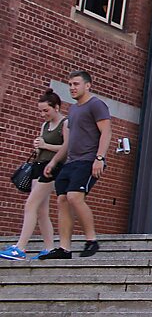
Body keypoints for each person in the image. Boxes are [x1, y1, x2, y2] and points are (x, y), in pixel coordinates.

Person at [39, 71, 111, 259]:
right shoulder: (73, 109)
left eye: (76, 84)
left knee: (74, 197)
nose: (72, 87)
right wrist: (54, 162)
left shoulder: (96, 105)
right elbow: (68, 142)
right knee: (62, 200)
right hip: (71, 162)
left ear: (87, 85)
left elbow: (106, 132)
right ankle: (64, 248)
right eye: (70, 84)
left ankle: (91, 240)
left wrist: (100, 158)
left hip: (88, 160)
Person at [0, 91, 67, 260]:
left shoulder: (65, 123)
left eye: (46, 110)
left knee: (30, 204)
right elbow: (42, 146)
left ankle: (20, 248)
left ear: (56, 107)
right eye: (41, 111)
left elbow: (68, 148)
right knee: (41, 210)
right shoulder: (45, 125)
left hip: (52, 167)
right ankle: (49, 247)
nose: (43, 114)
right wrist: (38, 147)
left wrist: (46, 145)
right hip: (38, 166)